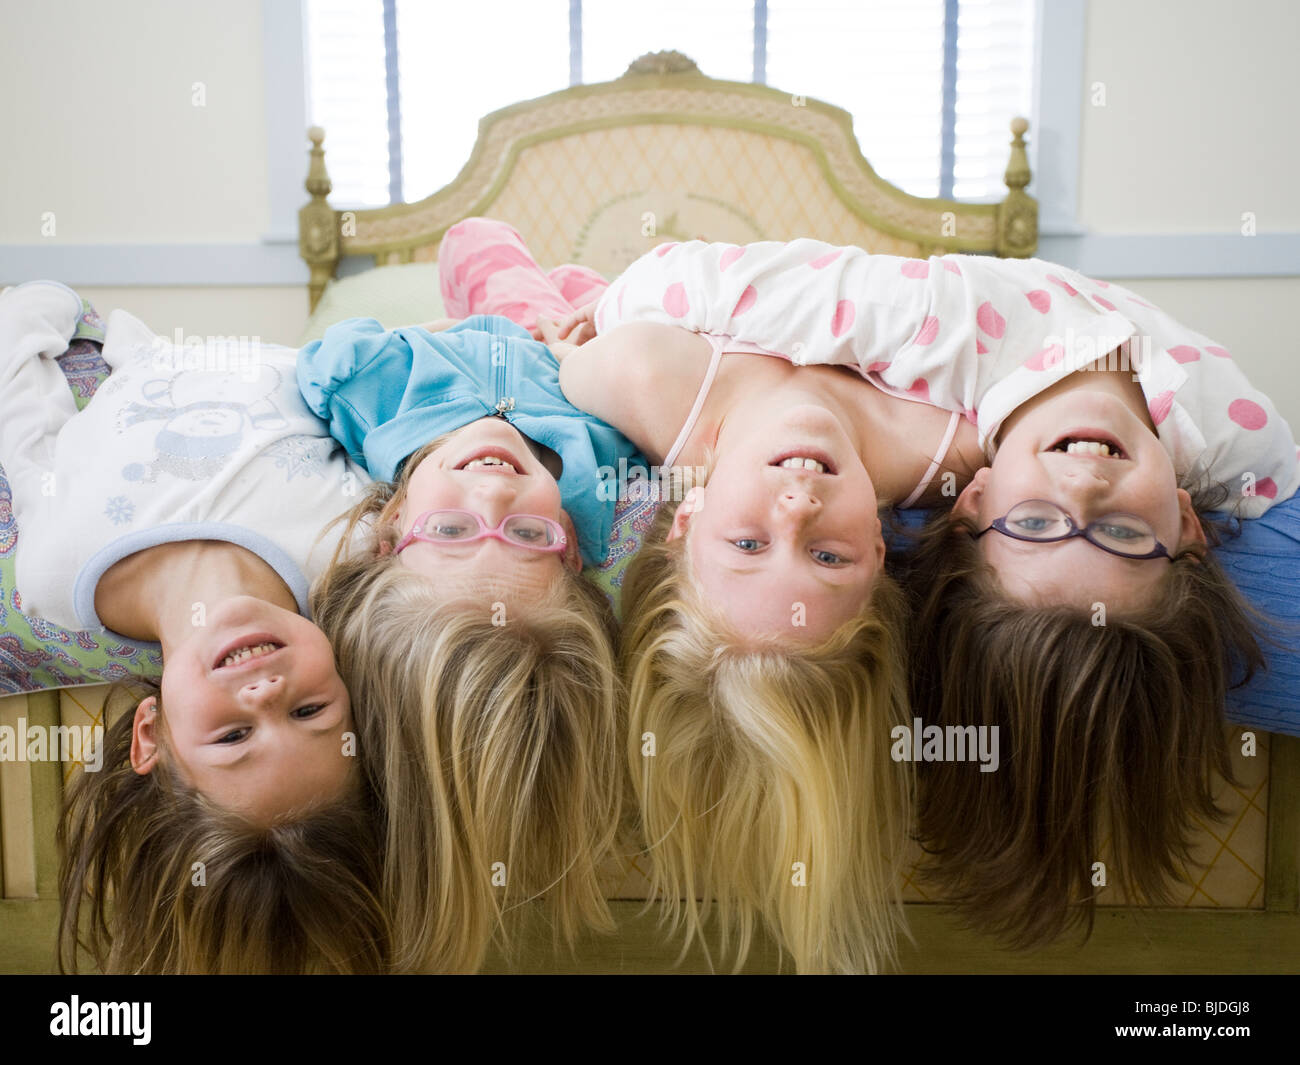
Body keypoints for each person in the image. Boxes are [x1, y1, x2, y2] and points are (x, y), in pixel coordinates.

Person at [575, 237, 1300, 945]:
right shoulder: (983, 435)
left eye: (751, 545)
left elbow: (810, 298)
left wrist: (600, 315)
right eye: (827, 554)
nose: (1081, 485)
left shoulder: (946, 380)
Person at [0, 280, 387, 972]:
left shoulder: (57, 570)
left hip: (135, 359)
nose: (266, 694)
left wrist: (47, 307)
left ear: (151, 732)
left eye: (234, 735)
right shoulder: (350, 546)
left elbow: (23, 404)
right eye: (308, 709)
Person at [298, 287, 644, 972]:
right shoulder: (602, 459)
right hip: (566, 318)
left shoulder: (379, 407)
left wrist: (444, 327)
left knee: (470, 243)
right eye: (527, 533)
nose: (491, 492)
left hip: (466, 314)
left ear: (390, 527)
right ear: (571, 545)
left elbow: (328, 355)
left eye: (451, 530)